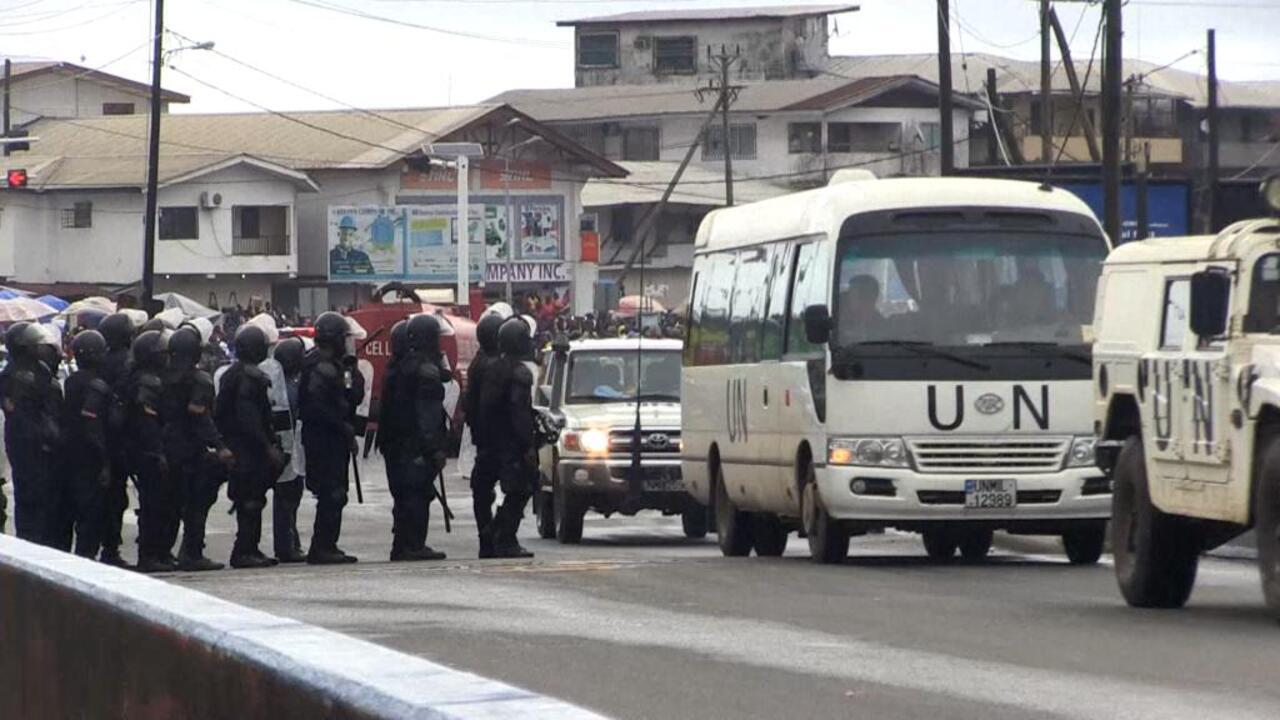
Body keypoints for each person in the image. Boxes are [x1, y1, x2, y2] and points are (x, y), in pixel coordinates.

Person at [379, 315, 449, 561]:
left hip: (394, 444)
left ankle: (402, 543)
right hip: (415, 445)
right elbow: (427, 415)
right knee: (418, 494)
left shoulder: (398, 367)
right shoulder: (425, 371)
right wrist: (434, 448)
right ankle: (413, 545)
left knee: (404, 496)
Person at [215, 325, 284, 569]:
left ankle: (249, 548)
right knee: (250, 501)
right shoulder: (248, 377)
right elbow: (249, 417)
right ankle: (245, 550)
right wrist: (267, 446)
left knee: (251, 499)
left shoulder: (231, 374)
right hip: (248, 449)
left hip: (239, 445)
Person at [163, 326, 231, 572]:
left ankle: (162, 551)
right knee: (198, 503)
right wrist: (220, 446)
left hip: (166, 447)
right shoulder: (199, 380)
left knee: (170, 503)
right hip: (190, 450)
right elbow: (200, 417)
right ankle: (192, 551)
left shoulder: (160, 377)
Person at [300, 311, 363, 565]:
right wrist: (341, 426)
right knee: (331, 492)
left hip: (332, 437)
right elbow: (318, 407)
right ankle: (322, 546)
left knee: (336, 492)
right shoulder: (320, 366)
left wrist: (350, 369)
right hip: (323, 439)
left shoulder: (337, 365)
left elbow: (351, 395)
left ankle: (327, 544)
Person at [479, 317, 539, 559]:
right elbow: (518, 411)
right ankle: (504, 536)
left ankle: (495, 535)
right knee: (523, 487)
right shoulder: (519, 373)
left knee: (496, 489)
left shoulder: (491, 368)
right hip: (511, 443)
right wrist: (528, 444)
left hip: (491, 441)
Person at [1, 322, 61, 546]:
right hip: (28, 446)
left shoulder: (38, 370)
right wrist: (44, 439)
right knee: (31, 498)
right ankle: (30, 544)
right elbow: (24, 418)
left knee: (44, 499)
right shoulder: (18, 376)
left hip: (42, 445)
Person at [125, 330, 175, 573]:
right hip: (147, 452)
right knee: (152, 505)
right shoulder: (146, 381)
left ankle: (160, 551)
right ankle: (149, 554)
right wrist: (157, 452)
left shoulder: (155, 378)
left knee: (164, 504)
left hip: (154, 449)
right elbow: (147, 422)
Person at [61, 330, 113, 559]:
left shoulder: (72, 381)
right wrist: (104, 460)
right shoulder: (96, 385)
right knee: (91, 514)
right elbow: (91, 420)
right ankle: (86, 558)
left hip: (70, 453)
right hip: (89, 456)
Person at [466, 312, 507, 558]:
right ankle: (495, 534)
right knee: (519, 485)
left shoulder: (478, 363)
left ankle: (489, 536)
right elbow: (493, 406)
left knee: (482, 490)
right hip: (496, 439)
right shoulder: (493, 366)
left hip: (483, 439)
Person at [96, 312, 135, 567]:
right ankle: (111, 548)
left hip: (103, 436)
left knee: (110, 495)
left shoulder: (99, 362)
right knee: (118, 497)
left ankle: (108, 545)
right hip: (123, 436)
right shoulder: (127, 363)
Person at [271, 336, 307, 563]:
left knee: (288, 496)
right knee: (288, 497)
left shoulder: (279, 382)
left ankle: (290, 541)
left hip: (288, 446)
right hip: (290, 446)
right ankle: (286, 545)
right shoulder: (290, 386)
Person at [837, 274, 889, 344]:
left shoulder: (882, 328)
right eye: (849, 294)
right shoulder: (840, 320)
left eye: (852, 294)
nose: (847, 297)